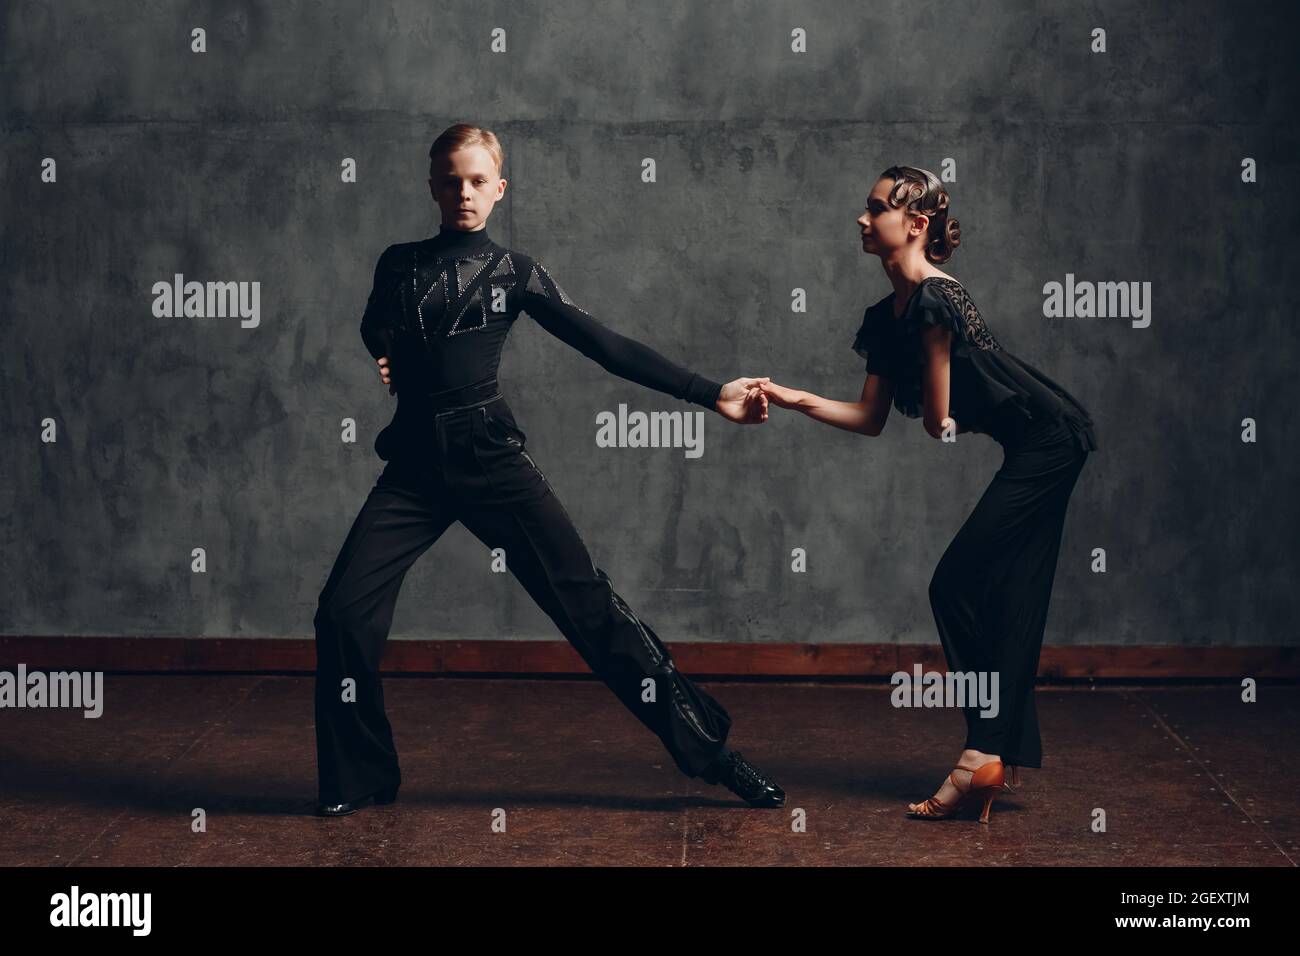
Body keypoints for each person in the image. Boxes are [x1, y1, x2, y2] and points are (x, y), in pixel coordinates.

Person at [313, 123, 784, 816]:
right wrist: (386, 353)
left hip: (488, 458)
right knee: (342, 613)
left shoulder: (513, 274)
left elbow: (606, 346)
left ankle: (713, 754)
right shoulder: (397, 262)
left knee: (590, 609)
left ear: (499, 190)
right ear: (433, 185)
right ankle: (361, 780)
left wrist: (710, 393)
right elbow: (375, 324)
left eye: (478, 181)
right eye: (452, 179)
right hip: (415, 466)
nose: (464, 192)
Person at [758, 165, 1097, 824]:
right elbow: (871, 418)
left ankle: (982, 754)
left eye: (876, 208)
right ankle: (996, 752)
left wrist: (951, 409)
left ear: (914, 224)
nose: (862, 219)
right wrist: (792, 396)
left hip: (1052, 440)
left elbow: (940, 420)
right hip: (1032, 444)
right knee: (1015, 593)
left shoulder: (934, 300)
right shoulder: (888, 317)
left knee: (956, 586)